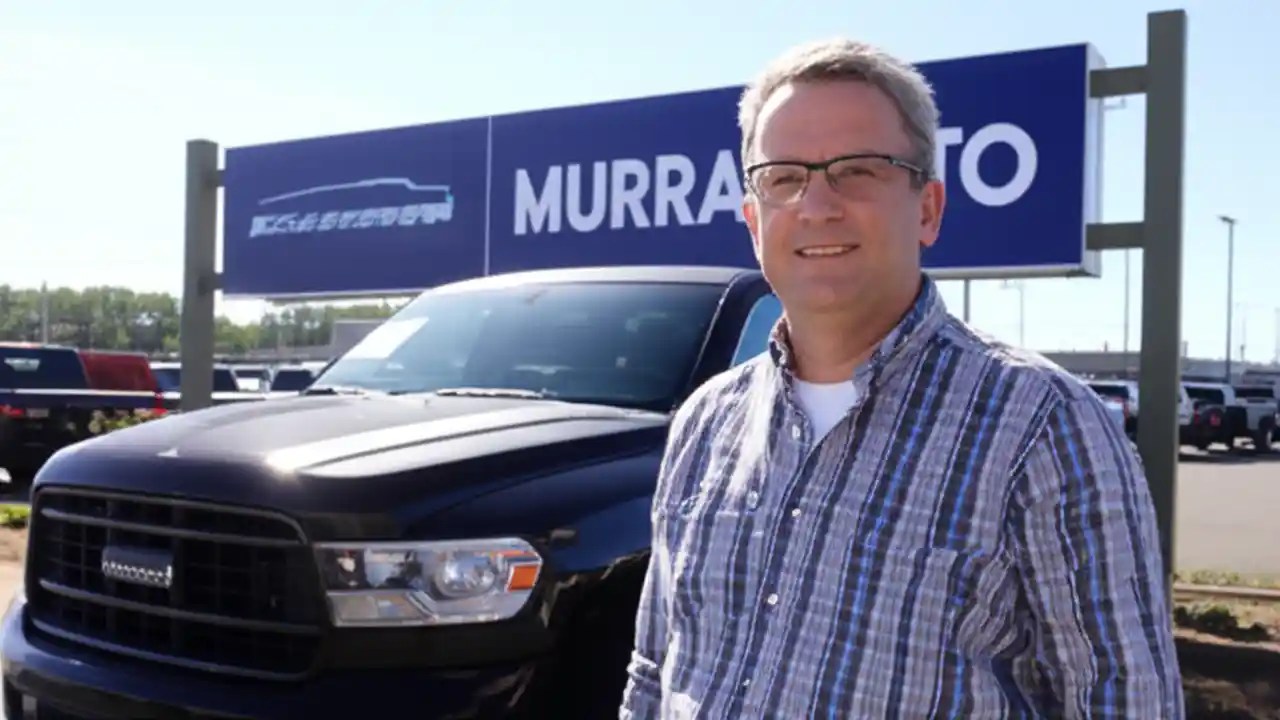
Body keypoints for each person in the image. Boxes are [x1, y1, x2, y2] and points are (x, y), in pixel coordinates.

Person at [619, 37, 1183, 719]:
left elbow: (1125, 701)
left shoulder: (1045, 425)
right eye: (783, 176)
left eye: (858, 170)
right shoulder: (704, 422)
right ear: (752, 220)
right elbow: (655, 667)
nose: (816, 204)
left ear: (928, 209)